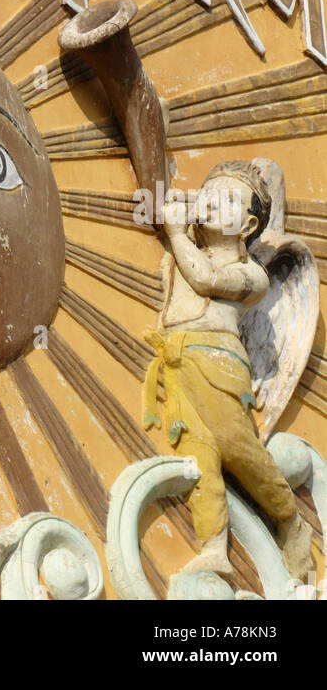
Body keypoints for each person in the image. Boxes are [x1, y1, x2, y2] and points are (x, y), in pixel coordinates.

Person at [144, 160, 313, 581]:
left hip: (217, 362)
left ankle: (289, 517)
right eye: (209, 195)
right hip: (177, 361)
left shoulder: (251, 275)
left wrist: (178, 232)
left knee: (237, 448)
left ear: (249, 223)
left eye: (229, 199)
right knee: (198, 456)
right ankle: (214, 544)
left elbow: (205, 280)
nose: (214, 204)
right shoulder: (182, 252)